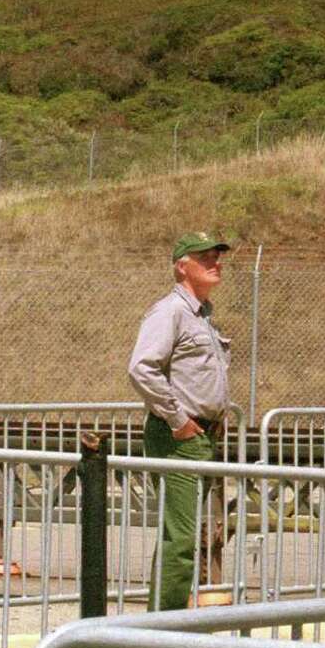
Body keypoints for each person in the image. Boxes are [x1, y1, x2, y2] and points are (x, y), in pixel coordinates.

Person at [127, 232, 232, 611]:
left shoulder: (202, 315)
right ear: (182, 266)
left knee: (182, 534)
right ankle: (164, 634)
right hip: (180, 437)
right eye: (205, 257)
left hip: (200, 436)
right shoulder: (170, 311)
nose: (215, 263)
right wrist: (177, 419)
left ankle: (165, 623)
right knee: (181, 537)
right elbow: (142, 368)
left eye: (217, 256)